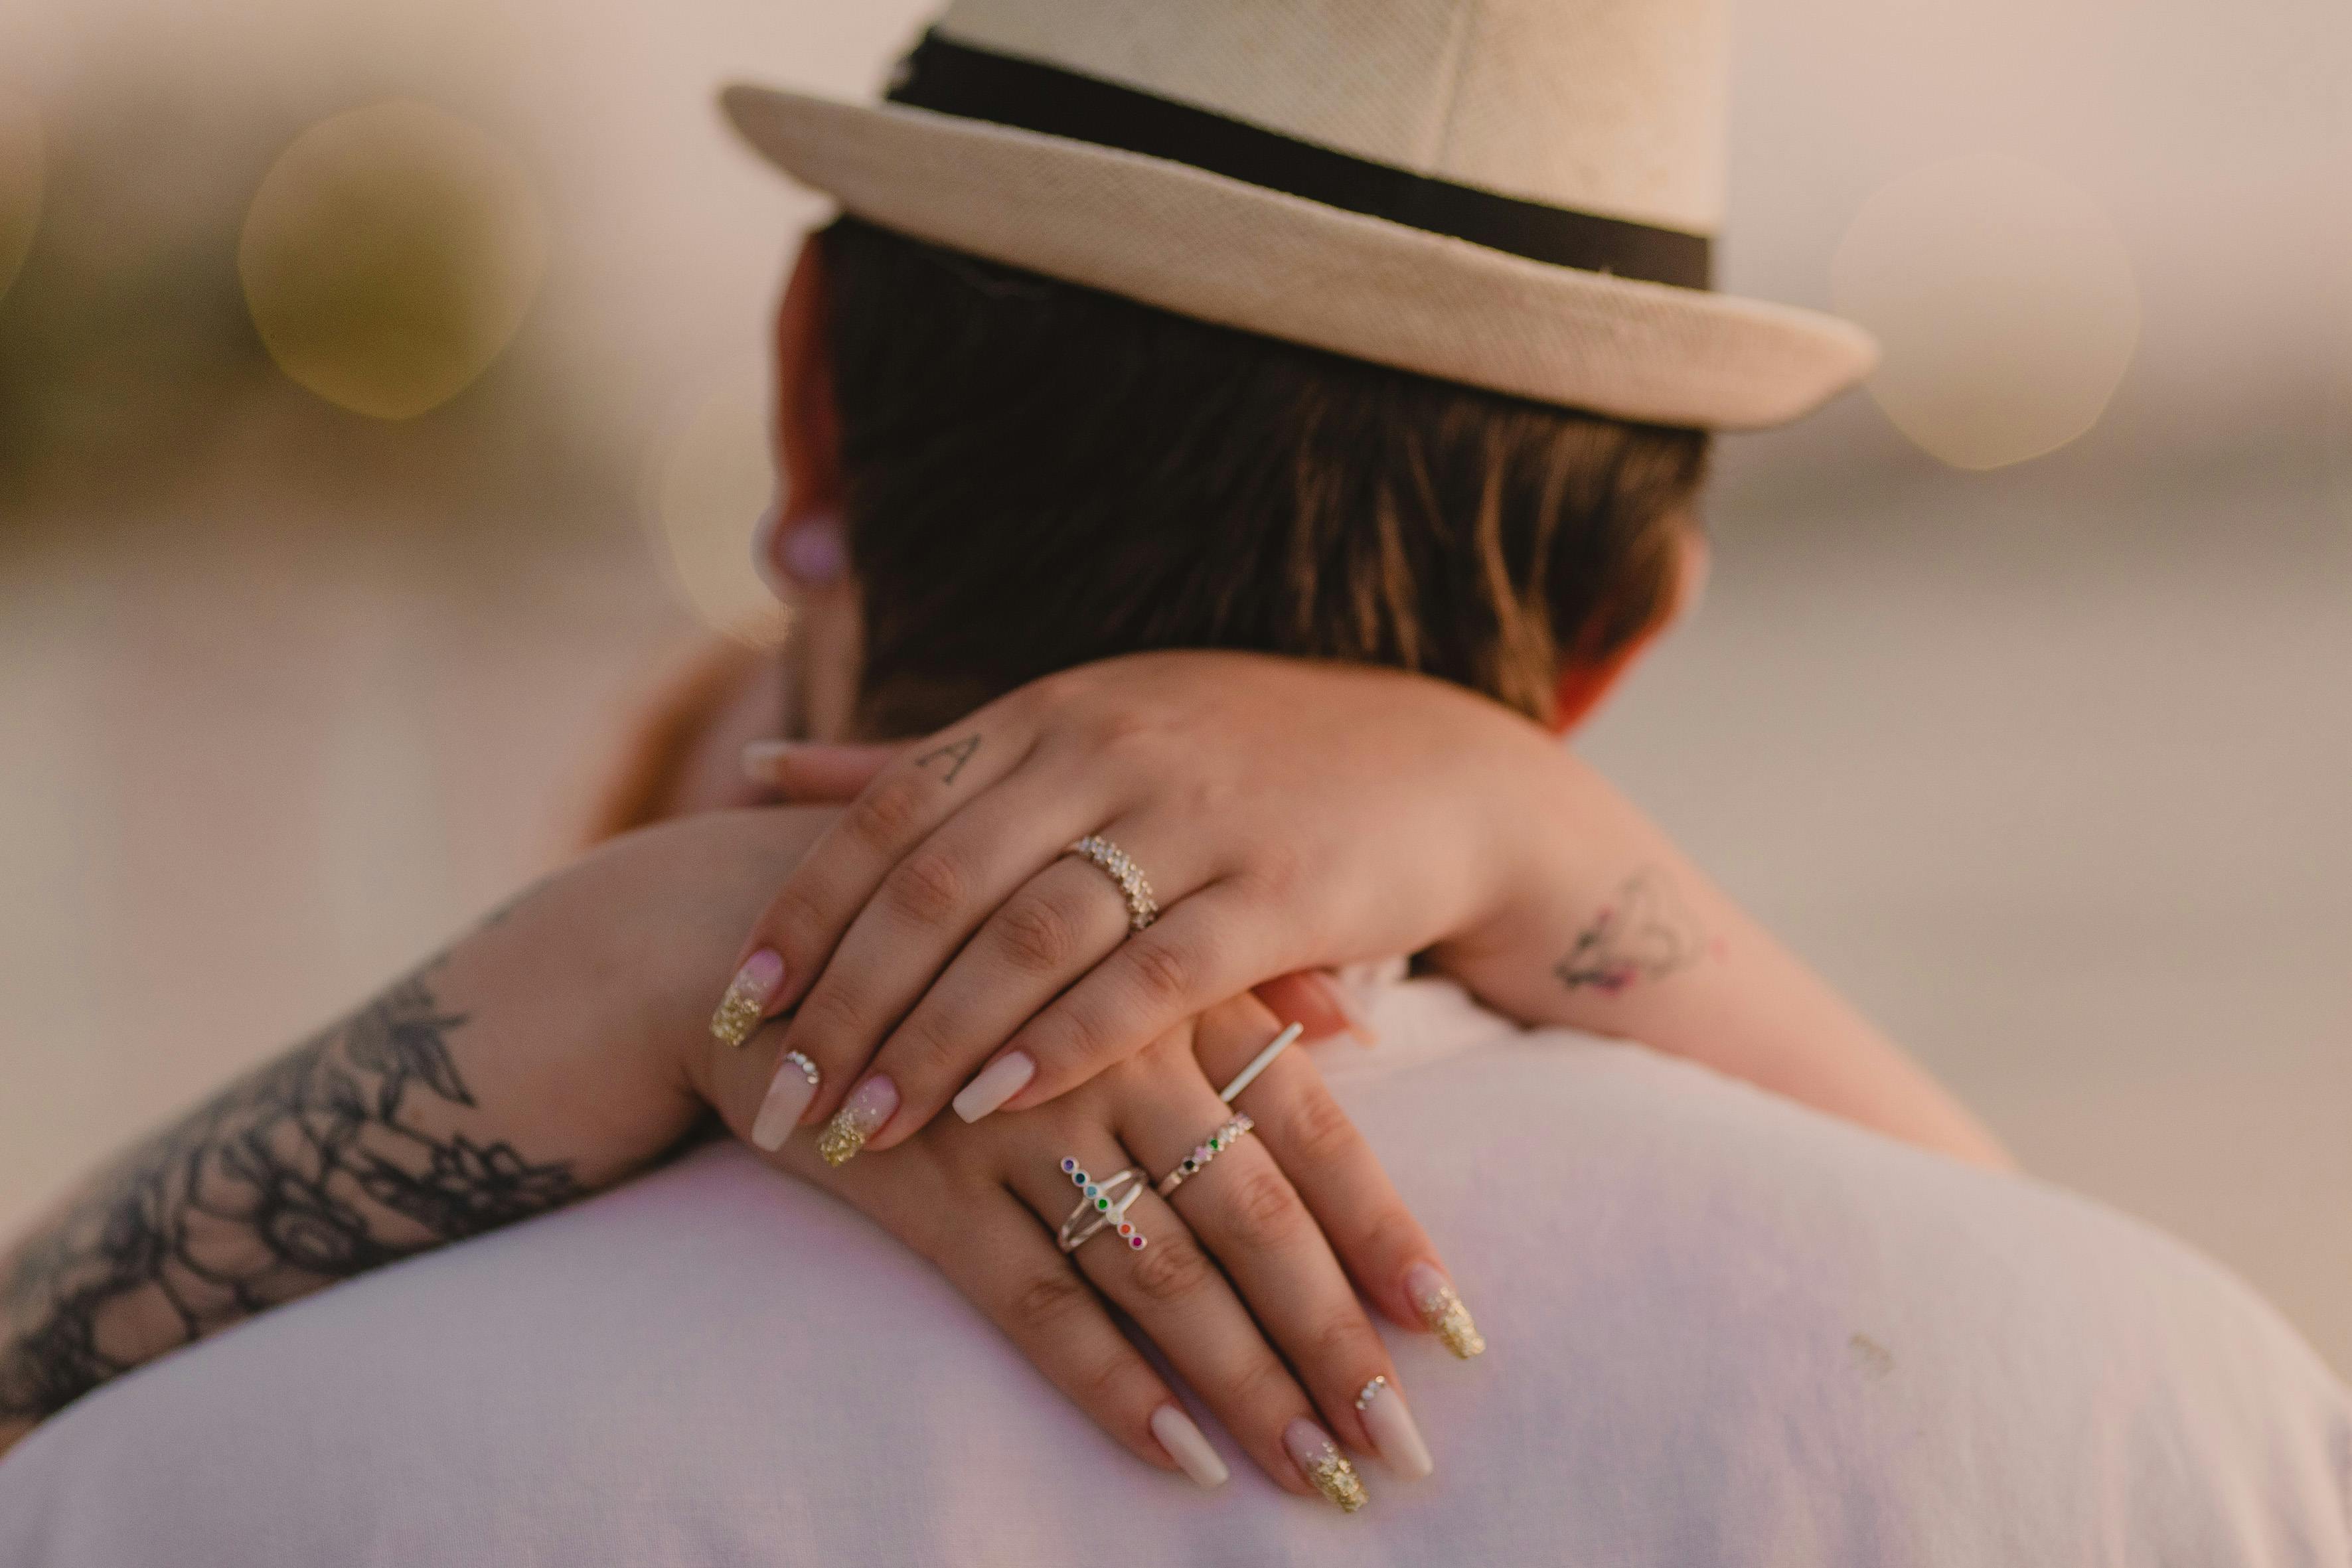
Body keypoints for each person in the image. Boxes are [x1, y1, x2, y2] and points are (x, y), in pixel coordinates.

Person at [2, 1, 2345, 1561]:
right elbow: (2069, 1320)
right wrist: (1547, 841)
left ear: (807, 404)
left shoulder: (203, 1475)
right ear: (1629, 629)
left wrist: (634, 959)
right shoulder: (2167, 1427)